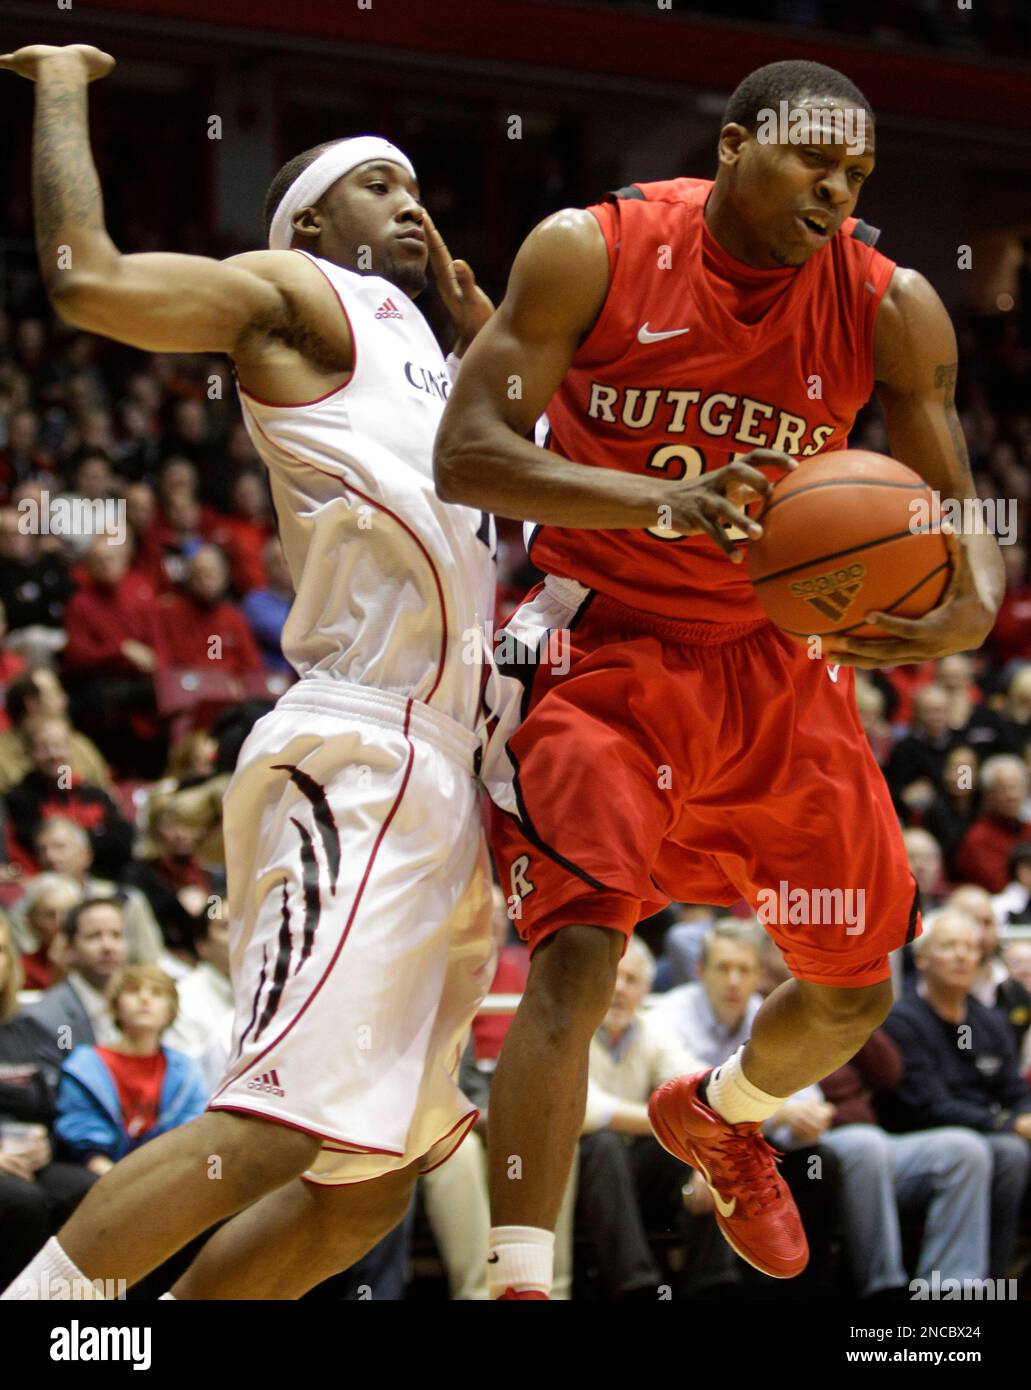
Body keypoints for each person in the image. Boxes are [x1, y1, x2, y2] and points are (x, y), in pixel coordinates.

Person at [435, 57, 1003, 1297]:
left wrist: (957, 609)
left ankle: (721, 1110)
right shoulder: (591, 249)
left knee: (852, 986)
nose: (837, 189)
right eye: (814, 159)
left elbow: (967, 533)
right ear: (737, 144)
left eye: (856, 173)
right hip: (601, 640)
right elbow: (466, 453)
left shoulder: (890, 303)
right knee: (579, 955)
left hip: (777, 664)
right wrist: (661, 501)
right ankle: (517, 1278)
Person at [1, 40, 499, 1303]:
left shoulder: (443, 369)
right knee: (275, 1124)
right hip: (362, 754)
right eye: (377, 184)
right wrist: (62, 88)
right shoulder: (304, 296)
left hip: (454, 778)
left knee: (371, 1174)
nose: (411, 201)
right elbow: (88, 281)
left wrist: (505, 347)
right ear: (313, 222)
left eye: (412, 183)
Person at [880, 907, 1031, 1278]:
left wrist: (1024, 1116)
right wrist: (1008, 1122)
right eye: (949, 946)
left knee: (1012, 1153)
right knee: (998, 1149)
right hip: (919, 1140)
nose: (962, 956)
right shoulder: (902, 1020)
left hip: (983, 1137)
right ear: (922, 958)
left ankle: (995, 1279)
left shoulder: (988, 1021)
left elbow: (1014, 1089)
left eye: (969, 947)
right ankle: (952, 1283)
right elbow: (928, 1107)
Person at [576, 937, 701, 1299]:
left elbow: (695, 1087)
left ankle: (713, 1285)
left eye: (631, 980)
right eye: (611, 976)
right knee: (604, 1142)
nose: (619, 988)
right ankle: (638, 1288)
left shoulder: (653, 1031)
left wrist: (702, 1157)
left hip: (633, 1178)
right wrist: (666, 1121)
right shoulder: (571, 1029)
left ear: (646, 989)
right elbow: (589, 1111)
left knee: (701, 1154)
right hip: (576, 1172)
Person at [0, 911, 97, 1288]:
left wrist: (46, 1143)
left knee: (95, 1193)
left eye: (2, 951)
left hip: (30, 1158)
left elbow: (55, 1106)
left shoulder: (29, 1029)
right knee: (23, 1203)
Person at [54, 965, 208, 1174]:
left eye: (157, 993)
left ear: (171, 1012)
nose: (145, 999)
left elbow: (192, 1135)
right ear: (115, 1007)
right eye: (133, 990)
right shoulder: (85, 1066)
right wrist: (117, 1181)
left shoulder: (187, 1072)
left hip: (168, 1175)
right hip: (99, 1175)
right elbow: (81, 1134)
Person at [32, 817, 163, 965]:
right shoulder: (28, 904)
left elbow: (149, 962)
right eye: (42, 850)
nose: (50, 857)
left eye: (60, 847)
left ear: (86, 855)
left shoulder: (125, 900)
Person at [17, 898, 129, 1069]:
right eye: (94, 936)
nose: (108, 946)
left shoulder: (137, 1006)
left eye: (116, 935)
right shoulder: (53, 1019)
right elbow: (60, 1077)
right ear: (69, 948)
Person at [954, 754, 1031, 892]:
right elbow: (999, 887)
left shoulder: (1028, 828)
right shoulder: (978, 838)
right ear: (989, 795)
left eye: (1016, 787)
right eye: (1003, 789)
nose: (1011, 796)